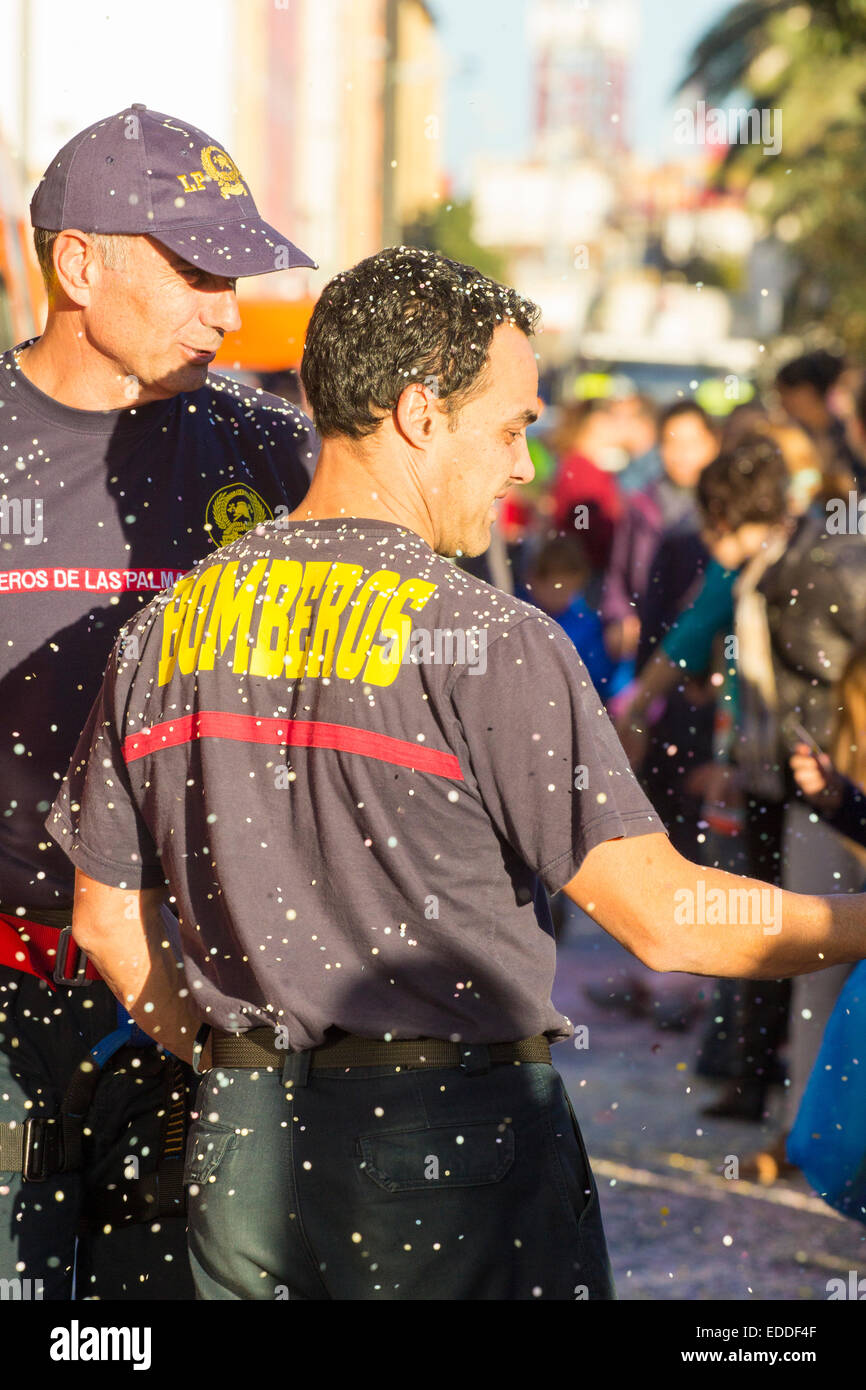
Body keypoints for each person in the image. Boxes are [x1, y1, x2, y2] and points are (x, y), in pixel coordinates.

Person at [48, 247, 866, 1303]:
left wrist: (233, 1065)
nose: (523, 465)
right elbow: (669, 919)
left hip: (236, 1144)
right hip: (447, 1144)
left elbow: (109, 923)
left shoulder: (165, 628)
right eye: (509, 425)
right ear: (418, 413)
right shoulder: (488, 639)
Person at [0, 103, 318, 1300]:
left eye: (234, 273)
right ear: (77, 264)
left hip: (202, 1000)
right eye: (195, 269)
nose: (229, 310)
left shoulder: (267, 450)